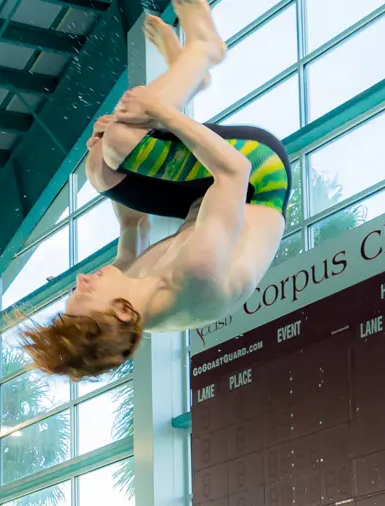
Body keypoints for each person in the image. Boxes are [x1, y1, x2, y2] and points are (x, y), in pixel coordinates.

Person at [23, 1, 288, 378]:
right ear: (122, 311)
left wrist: (100, 149)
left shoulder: (129, 294)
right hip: (259, 178)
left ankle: (194, 77)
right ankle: (204, 51)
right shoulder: (198, 273)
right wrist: (162, 116)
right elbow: (235, 171)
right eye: (83, 293)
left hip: (202, 197)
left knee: (101, 166)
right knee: (122, 139)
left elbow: (134, 226)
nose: (80, 281)